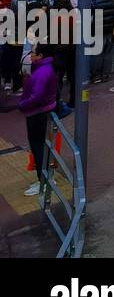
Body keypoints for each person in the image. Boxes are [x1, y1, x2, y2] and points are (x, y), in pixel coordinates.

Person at [18, 44, 56, 197]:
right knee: (40, 146)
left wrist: (22, 105)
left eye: (33, 53)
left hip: (38, 114)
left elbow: (37, 96)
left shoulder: (42, 72)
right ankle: (45, 179)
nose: (30, 56)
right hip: (41, 112)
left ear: (40, 56)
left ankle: (44, 182)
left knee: (38, 147)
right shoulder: (45, 69)